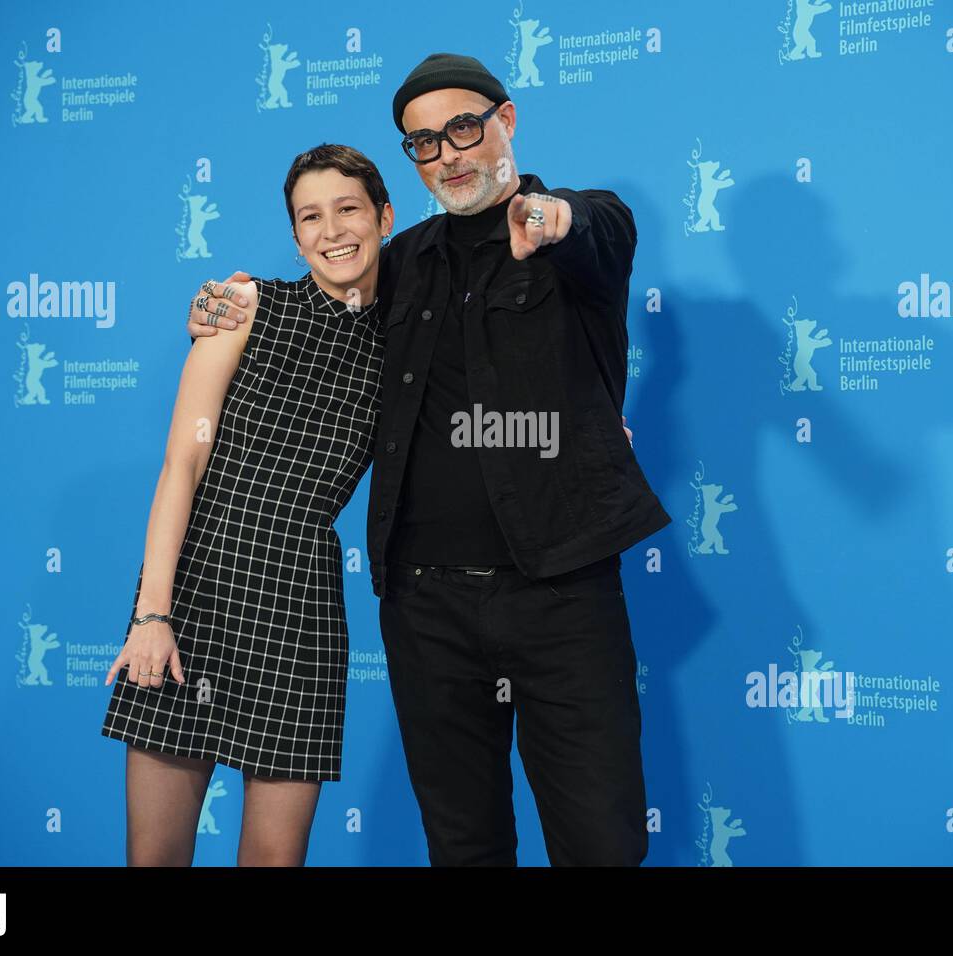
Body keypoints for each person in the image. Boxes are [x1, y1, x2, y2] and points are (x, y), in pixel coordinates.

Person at [188, 53, 670, 866]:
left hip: (561, 598)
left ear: (504, 121)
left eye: (462, 128)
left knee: (600, 841)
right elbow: (320, 292)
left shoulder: (580, 232)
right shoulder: (401, 260)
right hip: (425, 610)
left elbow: (597, 226)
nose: (446, 153)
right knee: (461, 845)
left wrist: (551, 220)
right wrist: (227, 304)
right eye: (422, 143)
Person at [100, 144, 394, 866]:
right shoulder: (242, 308)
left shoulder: (410, 345)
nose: (333, 231)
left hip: (301, 605)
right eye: (311, 216)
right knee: (155, 857)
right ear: (295, 236)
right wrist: (152, 614)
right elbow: (182, 465)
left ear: (385, 217)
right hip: (195, 590)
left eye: (349, 209)